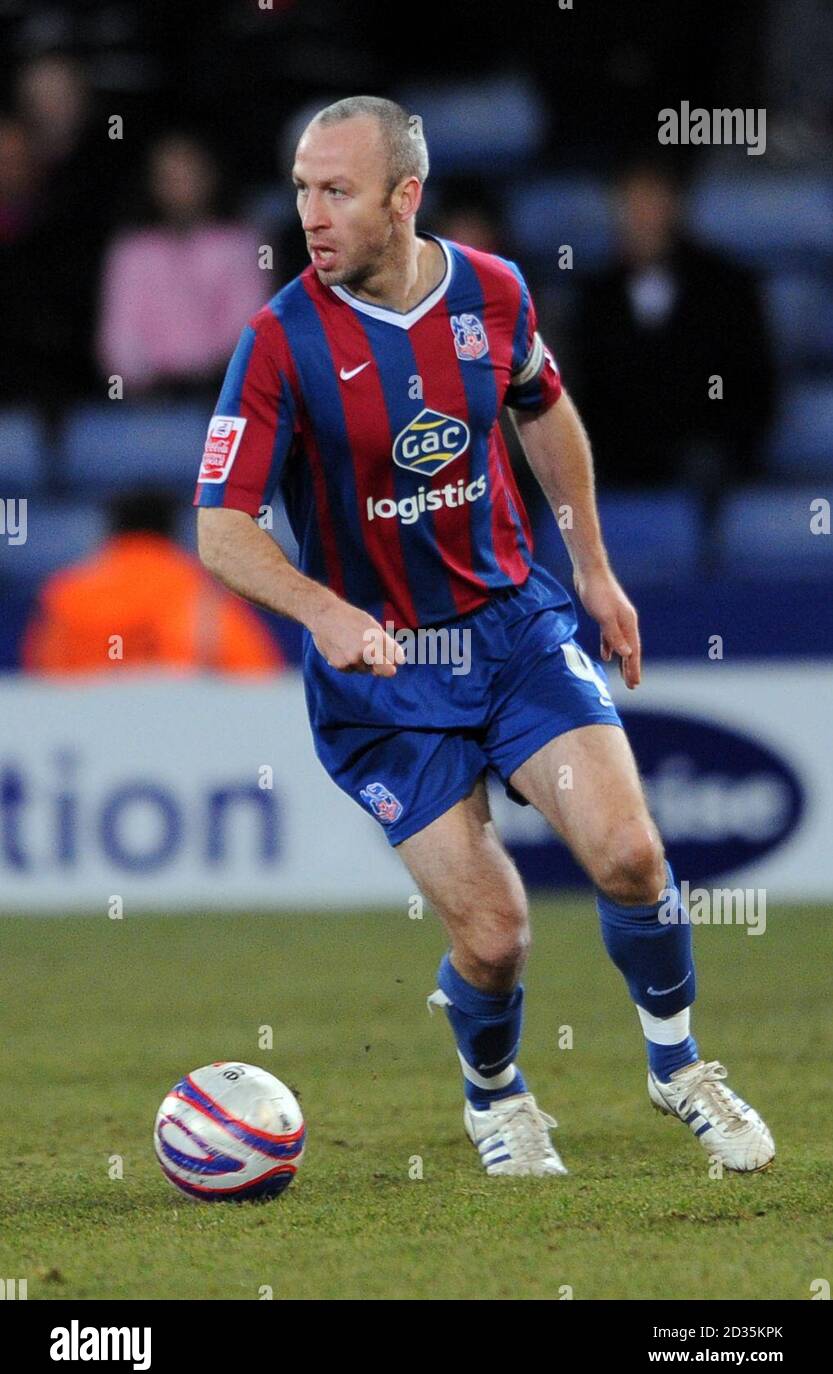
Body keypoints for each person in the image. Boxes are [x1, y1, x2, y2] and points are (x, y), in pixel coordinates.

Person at [195, 96, 774, 1177]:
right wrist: (323, 608)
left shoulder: (493, 292)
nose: (309, 214)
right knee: (497, 935)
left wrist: (592, 570)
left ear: (402, 198)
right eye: (300, 189)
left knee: (631, 854)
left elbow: (541, 407)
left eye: (336, 191)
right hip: (386, 678)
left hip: (511, 626)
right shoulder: (278, 340)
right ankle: (496, 1093)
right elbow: (220, 527)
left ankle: (677, 1065)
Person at [572, 158, 775, 498]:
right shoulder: (595, 297)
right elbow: (586, 392)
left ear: (676, 206)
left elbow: (755, 389)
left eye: (654, 200)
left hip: (706, 458)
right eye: (634, 202)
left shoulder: (729, 288)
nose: (645, 216)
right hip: (618, 462)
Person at [23, 490, 284, 676]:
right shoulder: (201, 592)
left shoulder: (66, 595)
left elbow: (43, 682)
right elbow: (257, 678)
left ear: (110, 531)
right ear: (174, 532)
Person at [96, 134, 266, 396]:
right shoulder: (133, 250)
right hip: (149, 399)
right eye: (170, 178)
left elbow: (249, 325)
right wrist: (147, 379)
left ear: (210, 178)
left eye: (188, 176)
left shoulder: (240, 244)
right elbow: (119, 337)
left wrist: (206, 373)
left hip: (219, 392)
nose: (180, 187)